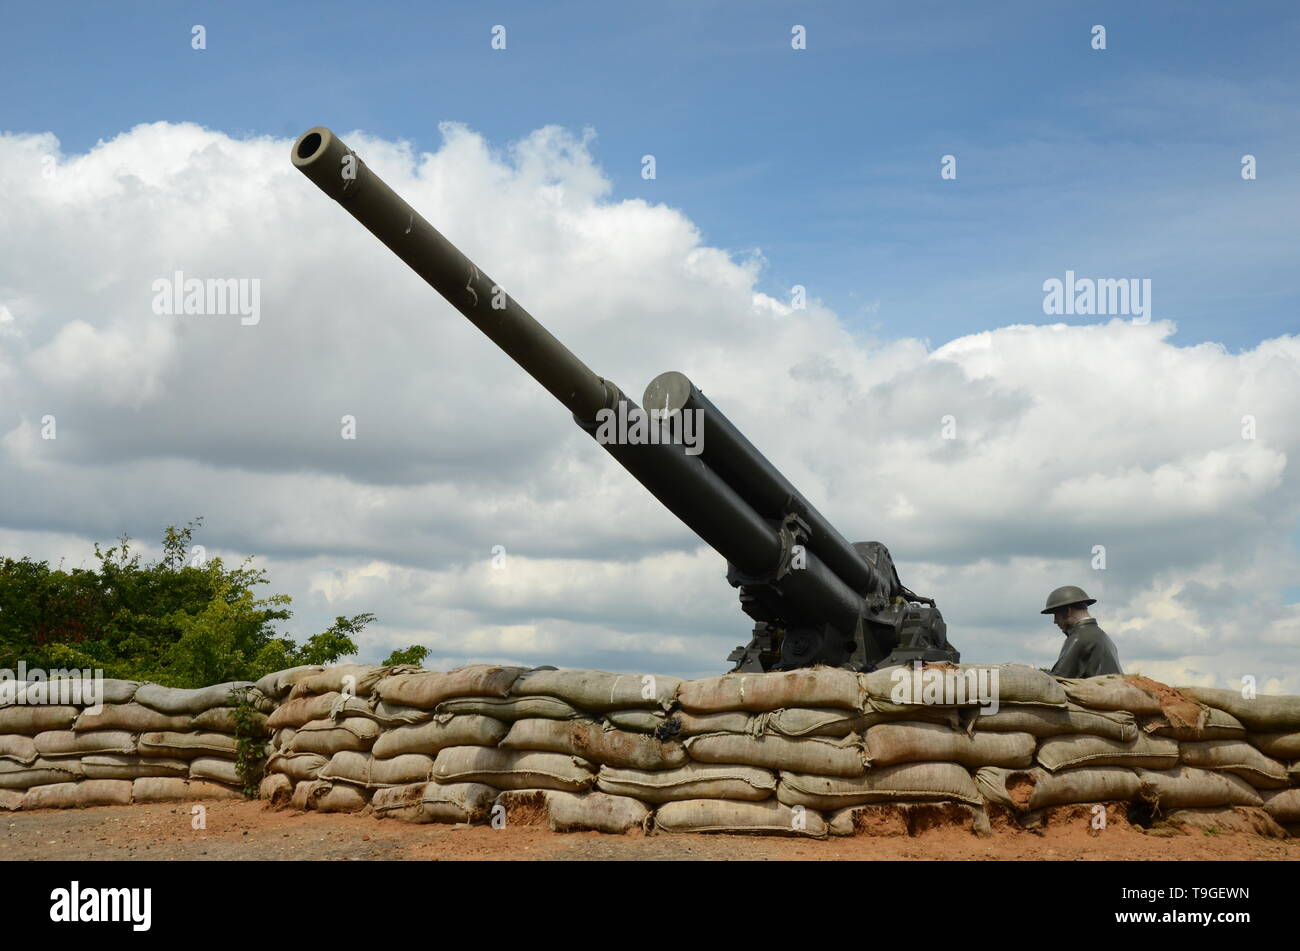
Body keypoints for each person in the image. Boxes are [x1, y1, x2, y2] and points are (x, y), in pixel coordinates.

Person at [1041, 585, 1122, 678]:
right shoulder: (1103, 636)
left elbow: (1059, 678)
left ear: (1068, 611)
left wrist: (1032, 674)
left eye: (1056, 614)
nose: (1055, 621)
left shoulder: (1079, 638)